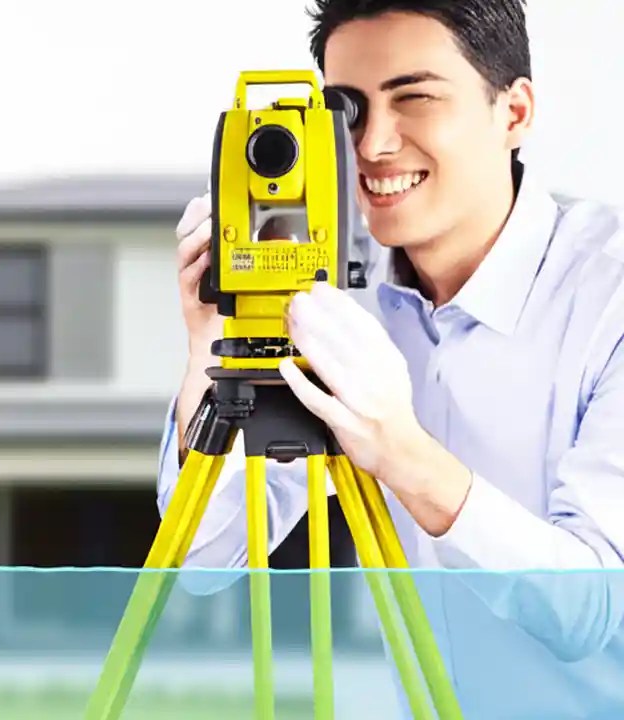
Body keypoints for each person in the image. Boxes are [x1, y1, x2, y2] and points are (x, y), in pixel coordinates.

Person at [158, 1, 624, 717]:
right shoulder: (331, 291)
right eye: (346, 110)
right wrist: (211, 351)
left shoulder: (607, 295)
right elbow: (200, 559)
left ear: (515, 112)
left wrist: (403, 454)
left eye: (415, 99)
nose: (373, 144)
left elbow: (592, 609)